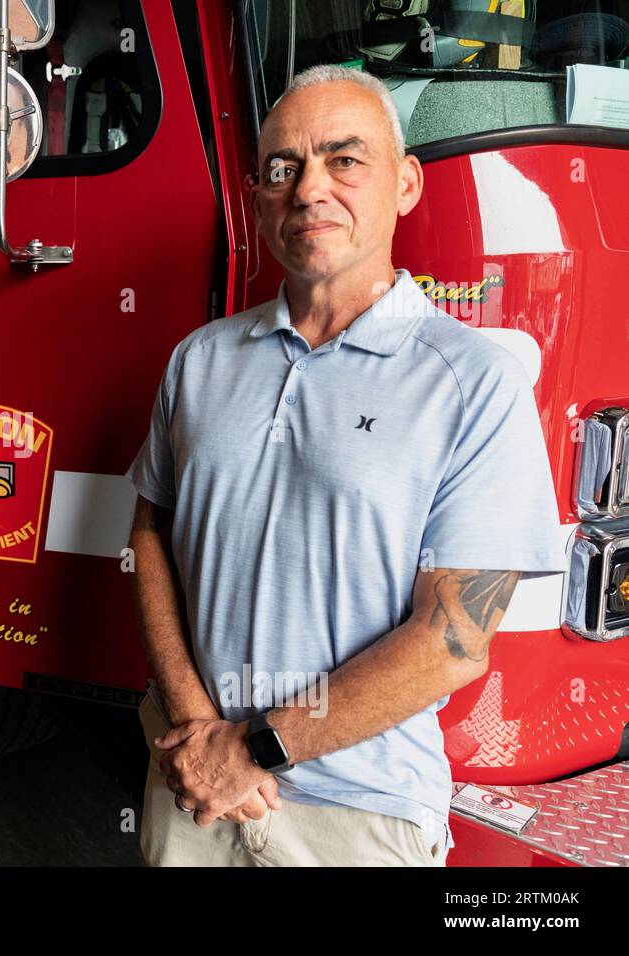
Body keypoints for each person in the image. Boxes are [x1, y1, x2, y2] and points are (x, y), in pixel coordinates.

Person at [125, 64, 567, 866]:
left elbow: (454, 641)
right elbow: (152, 530)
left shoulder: (473, 382)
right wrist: (195, 725)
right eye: (282, 169)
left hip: (359, 818)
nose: (308, 190)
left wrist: (253, 749)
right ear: (258, 197)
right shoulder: (199, 362)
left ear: (405, 185)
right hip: (190, 784)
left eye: (344, 159)